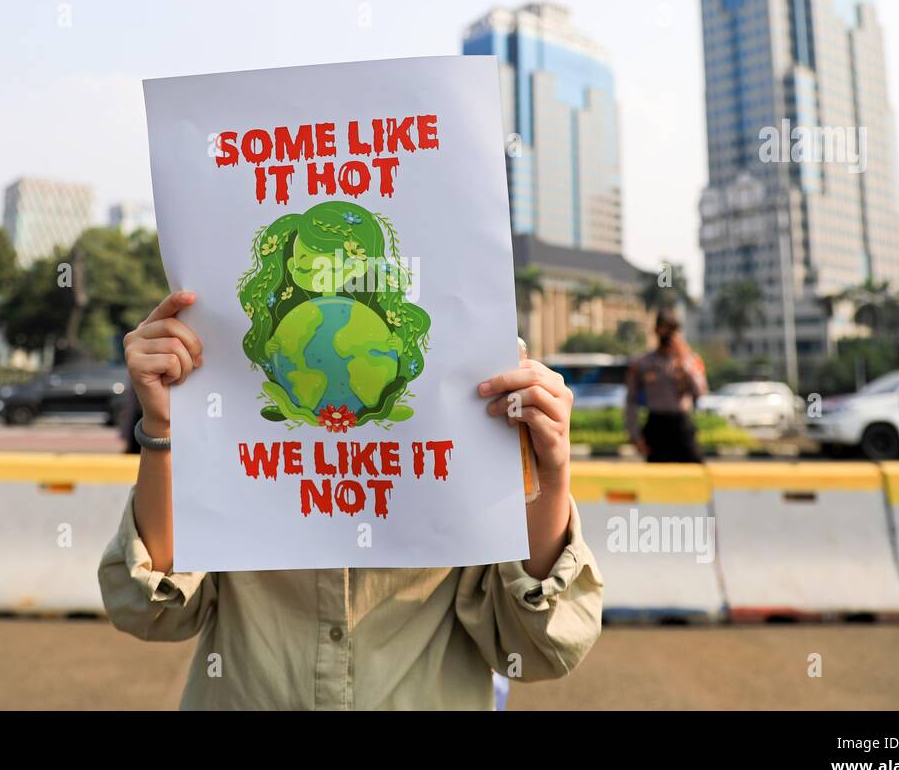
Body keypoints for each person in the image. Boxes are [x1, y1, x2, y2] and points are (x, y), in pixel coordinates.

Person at [99, 290, 604, 710]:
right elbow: (151, 611)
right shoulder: (227, 397)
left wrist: (551, 472)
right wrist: (163, 429)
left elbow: (540, 646)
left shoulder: (472, 408)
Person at [624, 308, 708, 463]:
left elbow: (700, 391)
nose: (668, 334)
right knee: (657, 480)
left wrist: (683, 361)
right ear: (656, 330)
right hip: (656, 426)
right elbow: (631, 401)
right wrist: (635, 436)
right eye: (665, 328)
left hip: (681, 425)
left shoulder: (691, 360)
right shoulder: (642, 363)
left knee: (695, 476)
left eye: (673, 330)